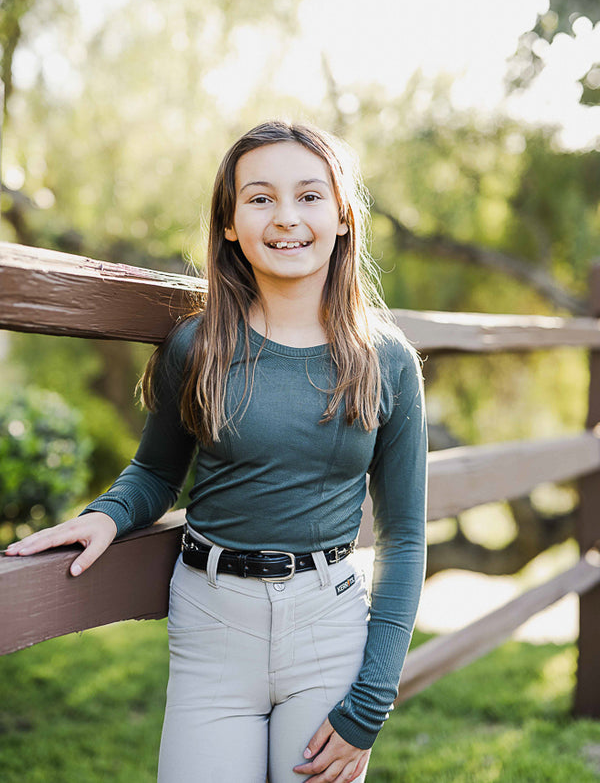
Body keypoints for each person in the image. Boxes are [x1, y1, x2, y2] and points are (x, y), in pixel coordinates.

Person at [6, 120, 428, 783]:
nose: (286, 217)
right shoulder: (196, 347)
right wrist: (108, 515)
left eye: (309, 196)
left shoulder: (389, 361)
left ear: (344, 217)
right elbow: (155, 471)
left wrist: (369, 704)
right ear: (230, 223)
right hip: (211, 626)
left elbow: (404, 538)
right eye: (260, 198)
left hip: (326, 628)